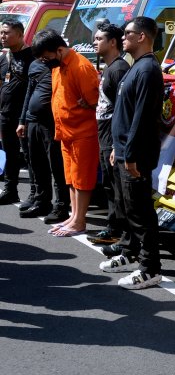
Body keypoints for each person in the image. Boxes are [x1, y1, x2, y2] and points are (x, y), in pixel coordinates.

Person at [100, 17, 164, 289]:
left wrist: (130, 155)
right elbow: (124, 114)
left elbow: (142, 118)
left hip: (134, 156)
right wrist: (117, 147)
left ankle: (150, 268)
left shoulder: (148, 69)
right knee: (126, 208)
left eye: (128, 33)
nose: (122, 37)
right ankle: (128, 252)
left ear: (143, 37)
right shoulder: (135, 67)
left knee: (140, 213)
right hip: (123, 151)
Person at [34, 29, 99, 237]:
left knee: (82, 180)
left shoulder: (81, 66)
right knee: (70, 178)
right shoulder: (58, 66)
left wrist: (86, 104)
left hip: (83, 132)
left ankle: (80, 221)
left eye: (47, 57)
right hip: (65, 132)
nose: (45, 61)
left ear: (60, 50)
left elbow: (96, 102)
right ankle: (73, 217)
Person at [86, 23, 129, 245]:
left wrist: (115, 145)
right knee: (109, 186)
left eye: (99, 38)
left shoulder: (119, 69)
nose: (94, 42)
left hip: (113, 138)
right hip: (104, 136)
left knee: (118, 188)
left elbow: (123, 110)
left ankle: (120, 233)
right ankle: (113, 228)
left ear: (113, 42)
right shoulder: (109, 67)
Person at [16, 51, 70, 220]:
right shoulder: (34, 65)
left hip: (51, 124)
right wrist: (22, 120)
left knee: (56, 166)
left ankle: (61, 206)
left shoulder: (59, 65)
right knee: (37, 164)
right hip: (32, 122)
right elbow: (29, 93)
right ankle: (42, 202)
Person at [0, 20, 34, 206]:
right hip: (5, 114)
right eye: (1, 33)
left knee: (29, 156)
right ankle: (10, 190)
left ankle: (35, 194)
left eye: (6, 33)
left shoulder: (31, 57)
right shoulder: (4, 57)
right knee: (9, 154)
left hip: (24, 117)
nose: (2, 36)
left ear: (20, 34)